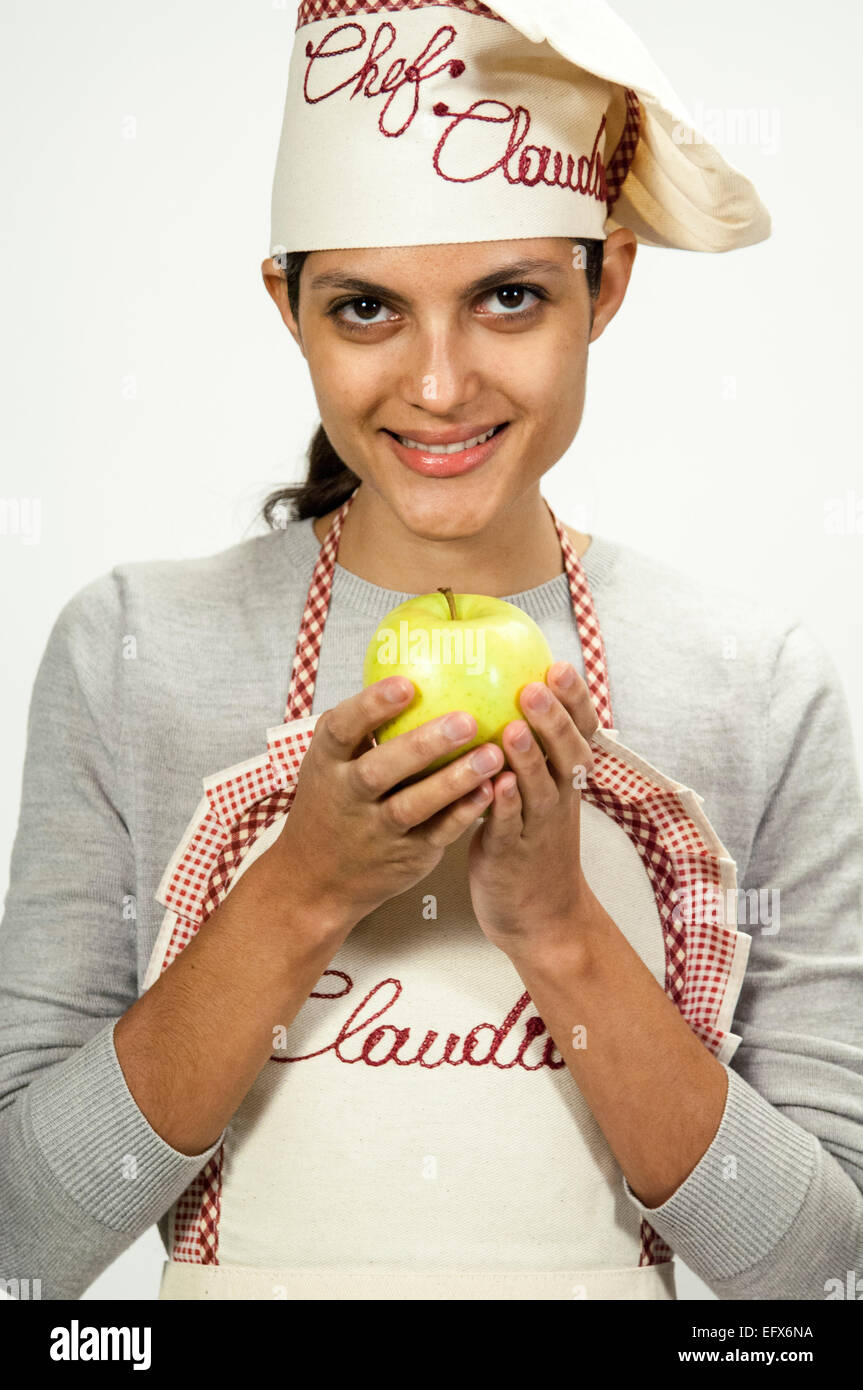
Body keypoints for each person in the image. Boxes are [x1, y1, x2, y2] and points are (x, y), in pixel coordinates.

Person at [1, 0, 861, 1301]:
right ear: (287, 305)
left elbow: (808, 1278)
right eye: (366, 309)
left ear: (607, 283)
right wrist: (300, 886)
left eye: (509, 297)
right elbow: (24, 1243)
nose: (442, 383)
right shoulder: (132, 651)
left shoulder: (756, 686)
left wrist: (560, 926)